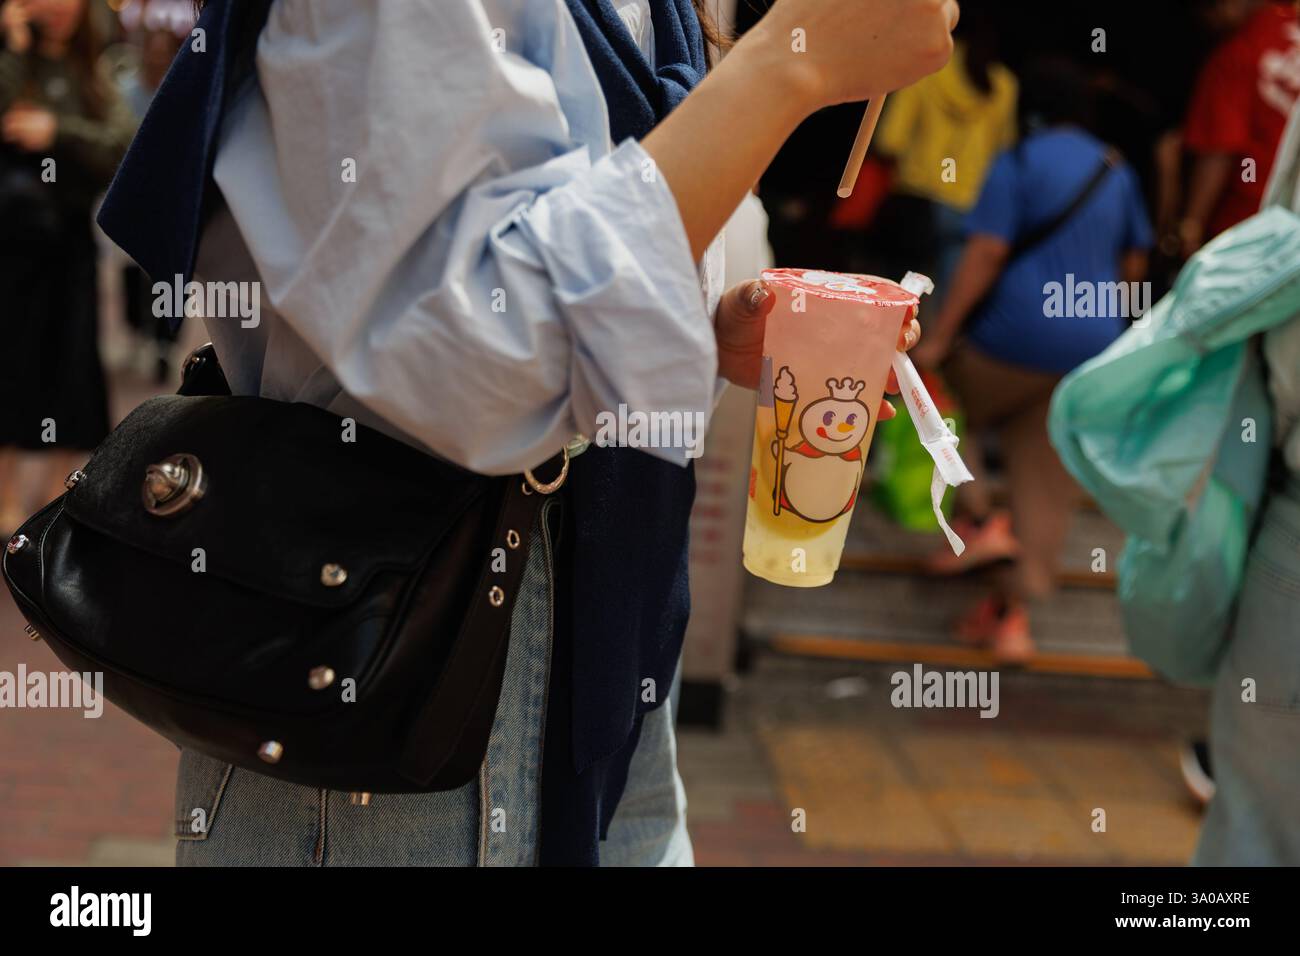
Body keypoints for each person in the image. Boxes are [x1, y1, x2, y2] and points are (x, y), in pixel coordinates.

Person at [96, 0, 954, 866]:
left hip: (610, 666)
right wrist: (789, 67)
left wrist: (697, 323)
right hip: (406, 676)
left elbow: (559, 257)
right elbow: (475, 370)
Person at [911, 56, 1153, 662]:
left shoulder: (1016, 161)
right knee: (1043, 480)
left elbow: (986, 253)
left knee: (938, 399)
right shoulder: (1114, 169)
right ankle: (1011, 623)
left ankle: (976, 518)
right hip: (1087, 347)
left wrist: (941, 336)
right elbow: (1133, 266)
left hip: (1011, 336)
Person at [0, 0, 134, 534]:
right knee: (12, 363)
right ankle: (7, 497)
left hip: (67, 246)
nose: (55, 7)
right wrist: (12, 48)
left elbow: (121, 146)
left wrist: (57, 132)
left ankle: (56, 497)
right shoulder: (17, 62)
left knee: (71, 369)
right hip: (11, 247)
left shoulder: (96, 72)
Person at [869, 2, 1016, 302]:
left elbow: (889, 141)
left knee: (897, 303)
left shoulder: (927, 68)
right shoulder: (1004, 85)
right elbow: (1005, 151)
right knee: (937, 306)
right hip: (968, 209)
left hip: (916, 203)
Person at [1179, 0, 1300, 258]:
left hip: (1248, 231)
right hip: (1291, 228)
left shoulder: (1237, 53)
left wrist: (1191, 226)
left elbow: (1219, 150)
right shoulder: (1291, 25)